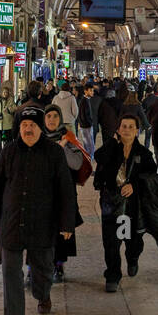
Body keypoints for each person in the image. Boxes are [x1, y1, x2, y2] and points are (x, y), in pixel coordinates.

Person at [0, 107, 77, 315]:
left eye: (32, 126)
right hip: (12, 222)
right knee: (10, 271)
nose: (28, 129)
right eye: (24, 126)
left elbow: (65, 190)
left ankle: (43, 294)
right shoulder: (8, 151)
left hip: (43, 223)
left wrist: (66, 224)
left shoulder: (54, 153)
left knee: (43, 269)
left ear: (40, 129)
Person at [93, 114, 158, 291]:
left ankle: (132, 258)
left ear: (137, 131)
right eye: (123, 126)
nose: (127, 130)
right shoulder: (110, 149)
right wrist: (112, 142)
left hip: (134, 206)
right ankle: (113, 275)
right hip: (112, 203)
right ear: (118, 129)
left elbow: (151, 177)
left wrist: (134, 185)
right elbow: (98, 156)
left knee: (133, 240)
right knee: (111, 241)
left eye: (131, 127)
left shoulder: (144, 154)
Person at [43, 105, 90, 282]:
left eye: (56, 116)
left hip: (64, 193)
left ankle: (59, 265)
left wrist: (62, 148)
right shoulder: (37, 138)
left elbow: (78, 163)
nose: (52, 119)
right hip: (43, 193)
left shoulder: (69, 138)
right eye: (49, 116)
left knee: (62, 230)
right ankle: (35, 266)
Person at [76, 84, 96, 152]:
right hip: (86, 126)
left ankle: (89, 157)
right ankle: (90, 157)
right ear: (85, 91)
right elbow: (82, 115)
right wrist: (90, 123)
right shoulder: (84, 101)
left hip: (85, 125)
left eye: (93, 91)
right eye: (90, 91)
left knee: (88, 143)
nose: (92, 92)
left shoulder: (86, 100)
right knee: (89, 144)